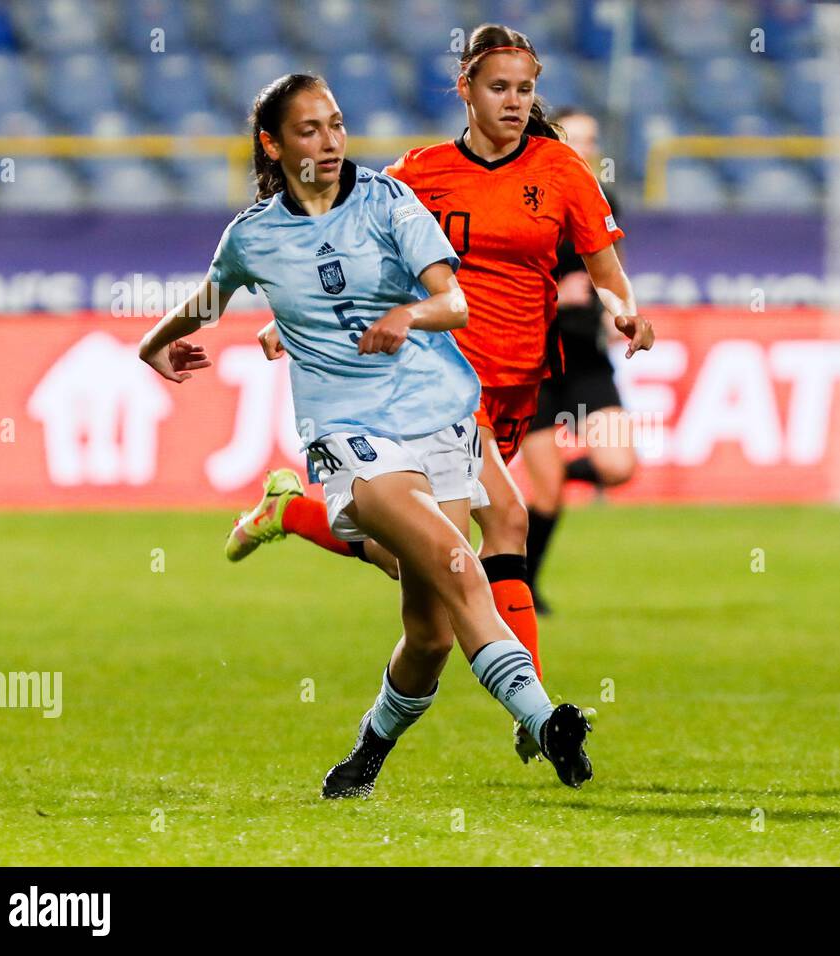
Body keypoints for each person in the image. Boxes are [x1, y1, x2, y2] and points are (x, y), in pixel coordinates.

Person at [138, 73, 594, 797]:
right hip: (348, 432)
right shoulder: (254, 235)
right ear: (273, 144)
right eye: (310, 129)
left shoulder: (388, 199)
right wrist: (154, 344)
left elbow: (453, 300)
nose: (330, 140)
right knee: (456, 559)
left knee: (430, 632)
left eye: (337, 124)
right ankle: (547, 721)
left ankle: (366, 754)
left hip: (436, 415)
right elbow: (208, 296)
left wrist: (407, 317)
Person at [224, 25, 654, 761]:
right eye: (498, 88)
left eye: (524, 89)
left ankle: (293, 510)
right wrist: (290, 321)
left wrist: (624, 308)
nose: (514, 102)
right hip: (439, 378)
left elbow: (604, 264)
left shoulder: (561, 171)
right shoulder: (419, 172)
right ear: (466, 89)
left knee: (417, 564)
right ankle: (536, 717)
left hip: (521, 377)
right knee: (507, 523)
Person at [521, 107, 638, 616]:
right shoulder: (526, 197)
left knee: (618, 465)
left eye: (591, 139)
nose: (586, 148)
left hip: (587, 359)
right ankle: (522, 587)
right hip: (535, 360)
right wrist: (553, 293)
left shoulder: (601, 199)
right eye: (576, 138)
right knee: (545, 498)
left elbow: (611, 268)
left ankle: (551, 474)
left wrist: (618, 310)